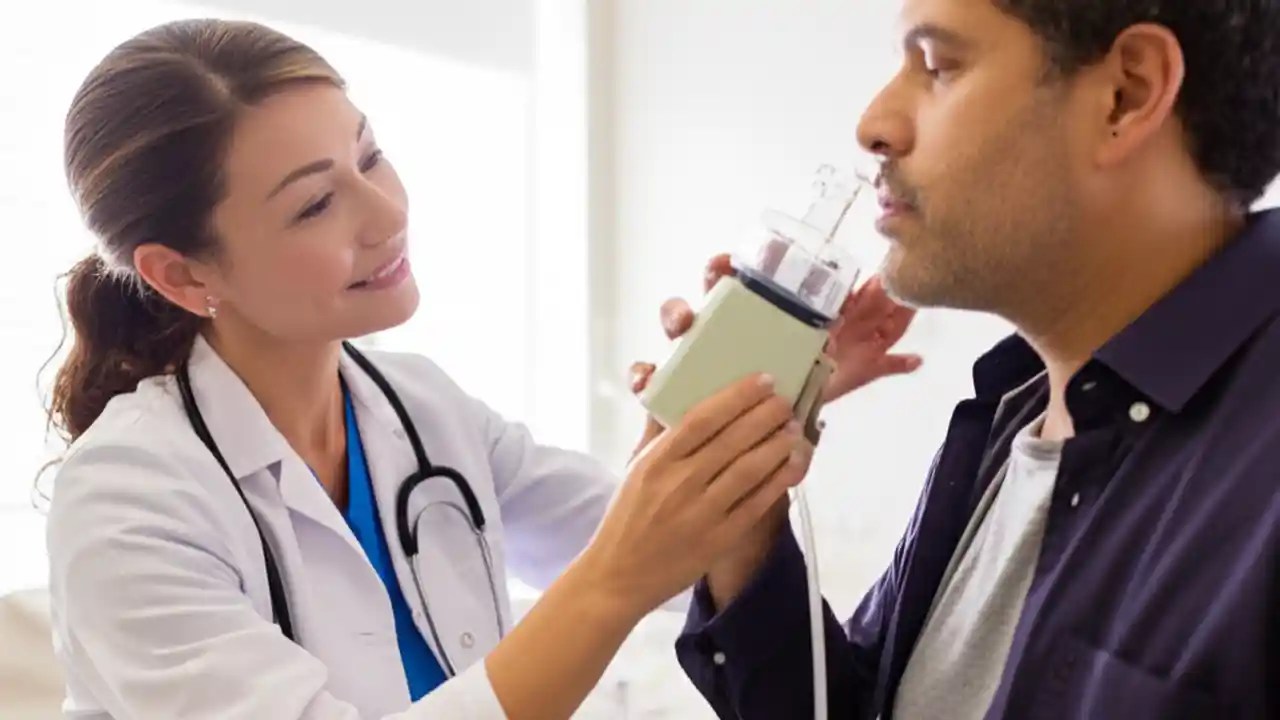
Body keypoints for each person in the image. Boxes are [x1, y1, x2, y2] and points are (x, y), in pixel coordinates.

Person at [42, 18, 920, 720]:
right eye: (316, 202)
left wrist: (763, 392)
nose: (385, 214)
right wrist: (614, 576)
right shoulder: (128, 501)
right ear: (183, 273)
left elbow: (665, 550)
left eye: (370, 155)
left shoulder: (419, 410)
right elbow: (623, 561)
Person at [668, 0, 1280, 717]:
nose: (874, 124)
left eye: (937, 67)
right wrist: (745, 511)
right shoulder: (1013, 409)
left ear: (1126, 95)